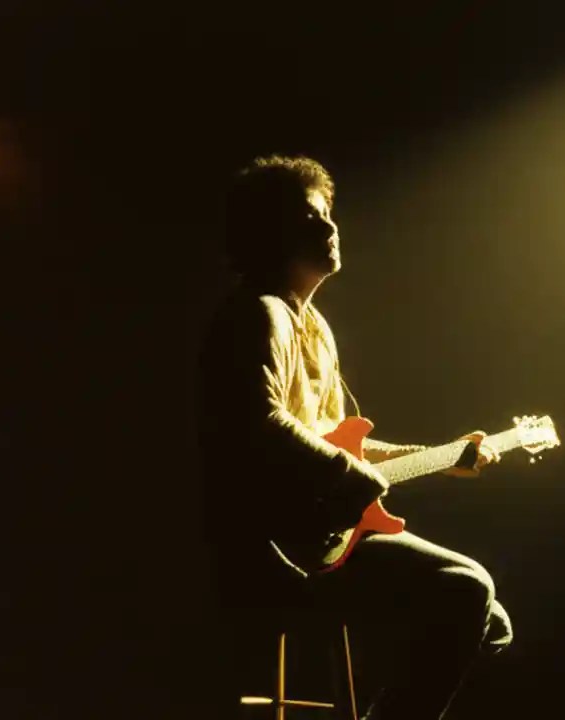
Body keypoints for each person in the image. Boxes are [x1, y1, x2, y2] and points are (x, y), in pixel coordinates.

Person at [195, 154, 513, 720]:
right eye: (310, 219)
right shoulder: (260, 313)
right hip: (272, 552)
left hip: (325, 535)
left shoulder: (314, 326)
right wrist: (349, 474)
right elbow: (258, 420)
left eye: (328, 215)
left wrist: (439, 458)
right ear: (270, 233)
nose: (330, 227)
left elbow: (343, 445)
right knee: (467, 592)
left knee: (489, 619)